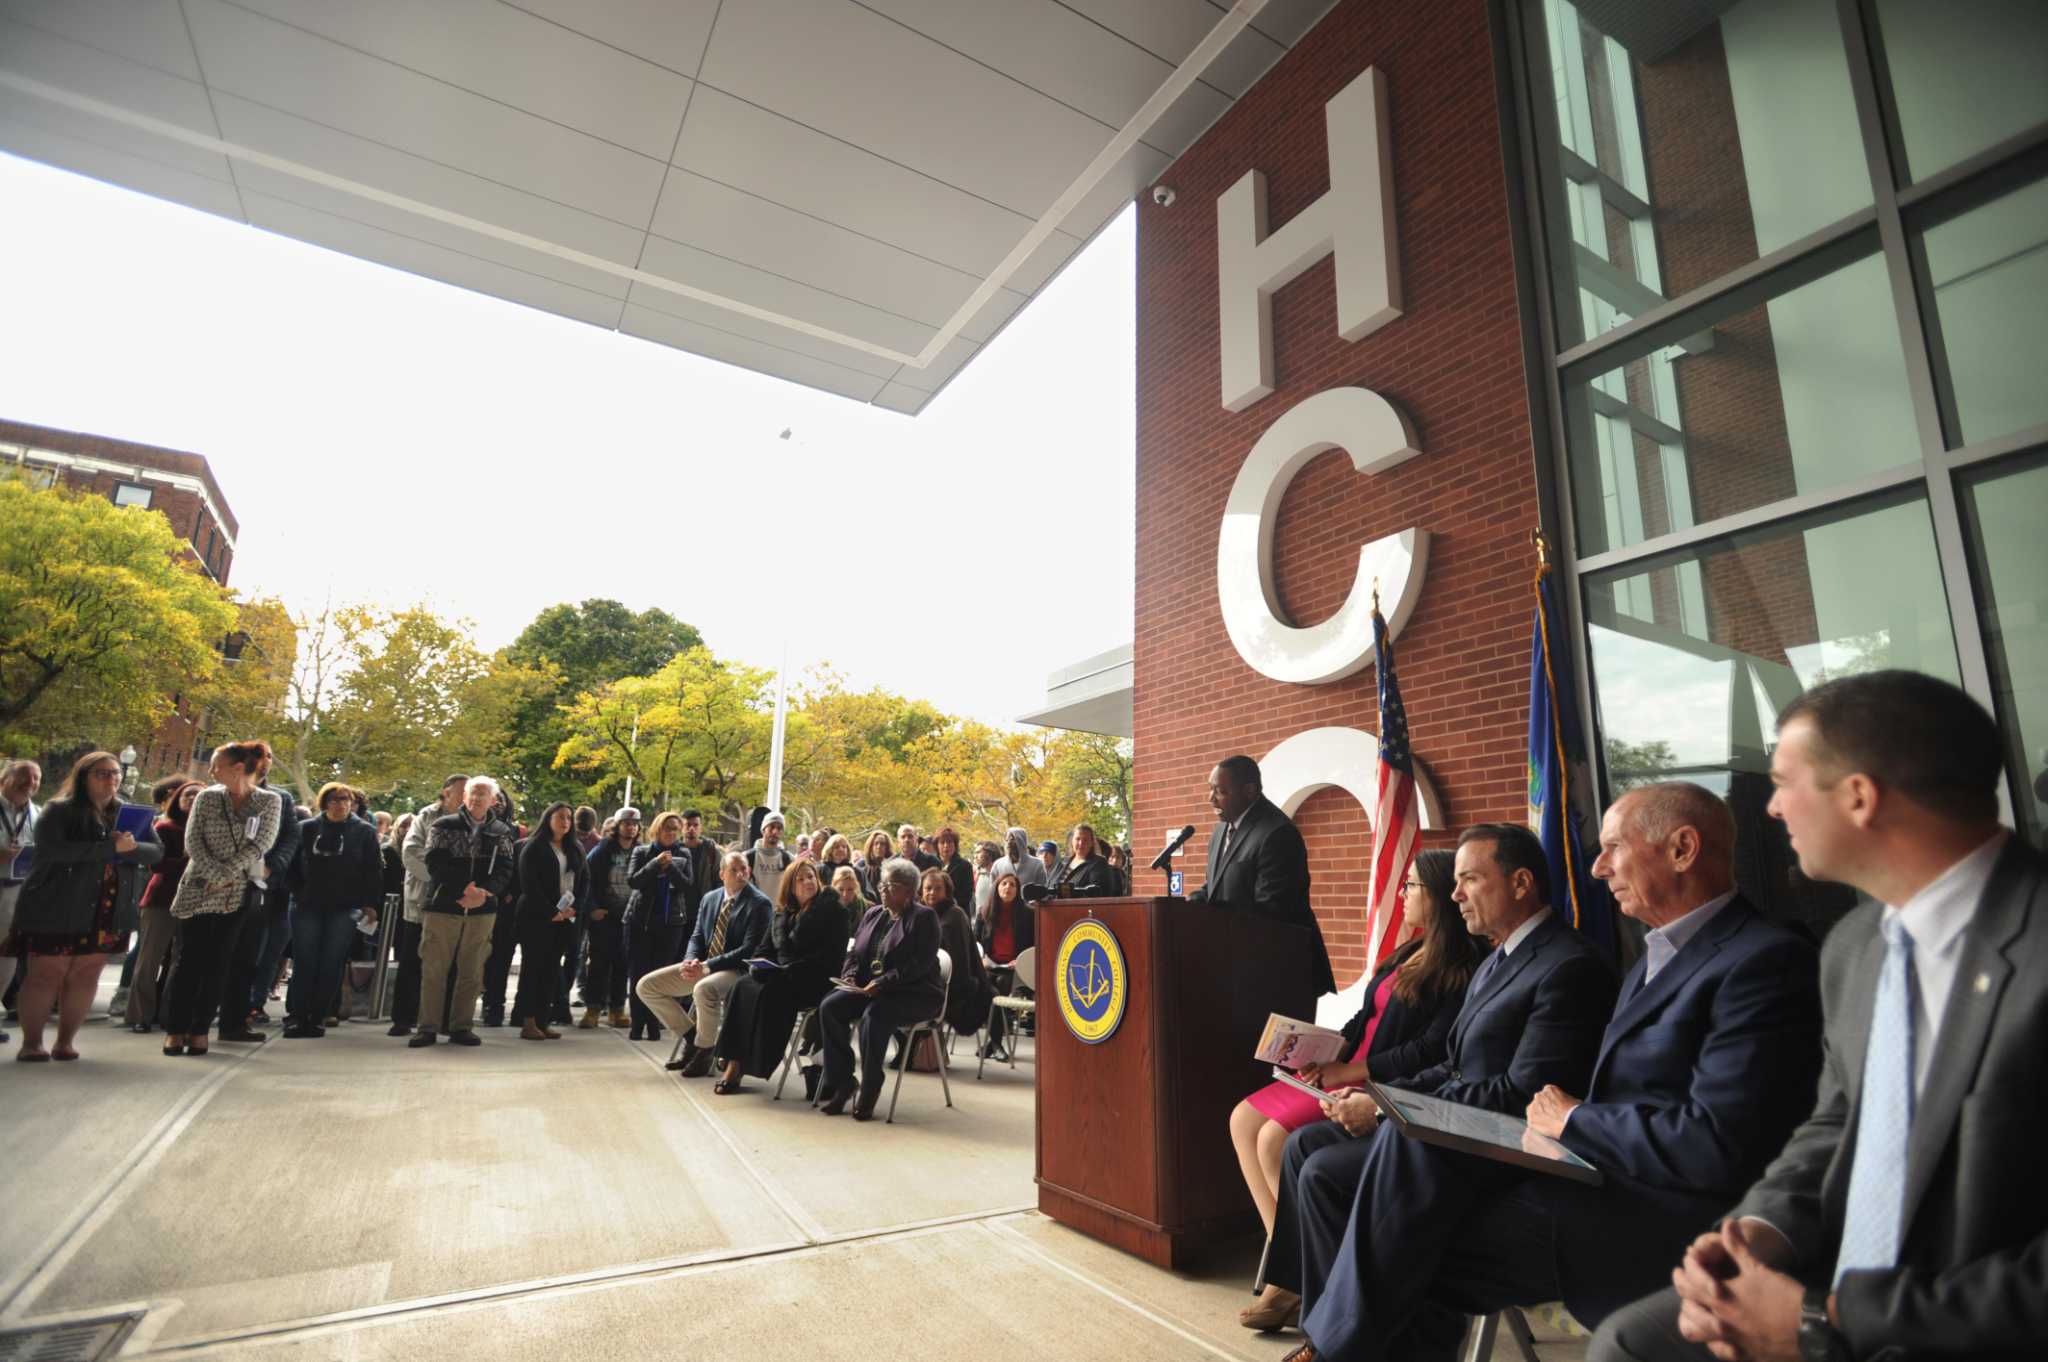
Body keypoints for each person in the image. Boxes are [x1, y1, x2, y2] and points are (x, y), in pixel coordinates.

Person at [1592, 673, 2048, 1362]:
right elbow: (1837, 1123)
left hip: (1958, 1324)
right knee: (1630, 1343)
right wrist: (1753, 1232)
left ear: (1860, 797)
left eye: (1783, 781)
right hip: (1828, 1284)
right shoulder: (1855, 949)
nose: (1771, 809)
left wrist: (1826, 1322)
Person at [1265, 823, 1617, 1354]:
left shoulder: (1568, 965)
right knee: (1304, 1146)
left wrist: (1385, 1114)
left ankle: (1344, 1342)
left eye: (1470, 879)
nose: (1455, 895)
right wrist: (1377, 1098)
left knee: (1325, 1174)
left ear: (1520, 883)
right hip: (1444, 1128)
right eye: (1453, 882)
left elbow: (1518, 1092)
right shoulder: (1497, 959)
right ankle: (1328, 1324)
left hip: (1494, 1147)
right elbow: (1451, 1064)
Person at [1232, 849, 1482, 1329]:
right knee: (1243, 1120)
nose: (1403, 894)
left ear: (1438, 898)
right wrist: (1323, 1049)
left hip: (1376, 1079)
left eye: (1411, 886)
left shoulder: (1462, 967)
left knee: (1273, 1140)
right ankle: (1285, 1254)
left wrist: (1353, 1071)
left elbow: (1429, 1051)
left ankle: (1291, 1281)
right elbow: (1363, 1016)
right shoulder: (1407, 951)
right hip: (1344, 1066)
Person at [5, 751, 162, 1061]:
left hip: (107, 906)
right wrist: (110, 848)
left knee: (86, 975)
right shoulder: (59, 810)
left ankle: (65, 1042)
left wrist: (131, 848)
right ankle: (32, 1044)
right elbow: (52, 852)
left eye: (116, 773)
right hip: (57, 905)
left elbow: (156, 852)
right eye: (102, 773)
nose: (112, 779)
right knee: (46, 975)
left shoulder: (130, 813)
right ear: (83, 777)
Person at [164, 742, 283, 1056]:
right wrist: (214, 875)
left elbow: (261, 843)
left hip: (236, 889)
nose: (212, 771)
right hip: (198, 885)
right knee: (187, 959)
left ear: (238, 768)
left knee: (219, 962)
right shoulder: (207, 797)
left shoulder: (269, 802)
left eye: (217, 765)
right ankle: (176, 1029)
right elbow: (193, 840)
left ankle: (200, 1028)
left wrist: (228, 874)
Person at [1189, 755, 1336, 997]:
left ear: (1249, 790)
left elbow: (1275, 910)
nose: (1210, 799)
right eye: (1210, 789)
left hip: (1277, 972)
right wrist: (1197, 899)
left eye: (1220, 791)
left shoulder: (1277, 833)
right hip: (1234, 968)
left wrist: (1212, 909)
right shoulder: (1220, 831)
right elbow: (1218, 886)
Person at [816, 857, 943, 1121]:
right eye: (882, 884)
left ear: (909, 891)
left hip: (912, 992)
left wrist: (883, 982)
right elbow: (854, 952)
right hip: (868, 988)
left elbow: (919, 964)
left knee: (874, 1017)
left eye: (891, 885)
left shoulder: (924, 918)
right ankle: (843, 1083)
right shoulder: (874, 913)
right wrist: (850, 976)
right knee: (830, 1007)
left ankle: (871, 1087)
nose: (883, 889)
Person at [710, 858, 850, 1092]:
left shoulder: (834, 911)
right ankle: (734, 1060)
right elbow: (763, 949)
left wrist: (786, 970)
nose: (807, 882)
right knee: (742, 985)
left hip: (815, 979)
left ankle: (743, 1064)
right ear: (790, 887)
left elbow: (831, 958)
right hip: (782, 976)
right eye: (800, 878)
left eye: (811, 876)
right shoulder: (783, 913)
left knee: (770, 992)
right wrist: (759, 966)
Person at [639, 850, 772, 1078]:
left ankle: (704, 1051)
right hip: (705, 965)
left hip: (738, 970)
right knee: (646, 986)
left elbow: (749, 950)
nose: (741, 874)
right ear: (722, 874)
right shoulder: (710, 898)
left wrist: (707, 965)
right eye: (734, 870)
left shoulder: (760, 903)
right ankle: (695, 1040)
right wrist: (690, 960)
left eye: (744, 870)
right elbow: (698, 935)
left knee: (704, 988)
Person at [411, 776, 517, 1049]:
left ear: (493, 800)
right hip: (444, 906)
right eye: (472, 793)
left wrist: (483, 893)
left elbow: (505, 868)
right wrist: (463, 889)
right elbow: (434, 862)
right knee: (434, 969)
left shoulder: (502, 830)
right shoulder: (443, 825)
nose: (476, 798)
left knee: (472, 971)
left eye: (482, 794)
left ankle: (461, 1026)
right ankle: (428, 1027)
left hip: (483, 910)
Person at [285, 781, 383, 1038]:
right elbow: (291, 865)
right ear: (324, 803)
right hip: (307, 904)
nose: (340, 804)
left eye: (345, 799)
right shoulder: (306, 828)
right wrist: (297, 891)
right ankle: (296, 1016)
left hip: (344, 906)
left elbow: (373, 871)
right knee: (304, 961)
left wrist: (370, 904)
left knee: (332, 963)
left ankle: (318, 1016)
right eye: (334, 799)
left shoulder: (364, 831)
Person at [223, 766, 300, 1040]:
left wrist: (273, 866)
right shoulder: (218, 796)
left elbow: (290, 836)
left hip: (270, 888)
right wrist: (225, 870)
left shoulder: (281, 798)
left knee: (263, 952)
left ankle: (249, 1008)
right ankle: (211, 1013)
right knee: (227, 953)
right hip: (223, 884)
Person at [392, 775, 465, 1037]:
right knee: (412, 960)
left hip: (455, 904)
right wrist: (444, 874)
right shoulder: (426, 816)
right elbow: (411, 852)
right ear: (446, 793)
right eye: (461, 791)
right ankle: (403, 1018)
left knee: (449, 964)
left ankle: (443, 1019)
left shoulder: (473, 820)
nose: (467, 796)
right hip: (423, 900)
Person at [127, 779, 200, 1033]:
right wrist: (189, 862)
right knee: (149, 960)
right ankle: (140, 1016)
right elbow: (156, 865)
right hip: (161, 900)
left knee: (178, 962)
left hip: (194, 902)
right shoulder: (165, 827)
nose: (192, 799)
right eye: (187, 795)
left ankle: (168, 1014)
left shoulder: (210, 830)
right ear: (177, 799)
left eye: (198, 795)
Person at [622, 811, 698, 1043]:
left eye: (675, 829)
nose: (671, 833)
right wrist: (656, 864)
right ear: (657, 830)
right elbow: (634, 881)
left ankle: (654, 1026)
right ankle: (637, 1025)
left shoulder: (684, 853)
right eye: (667, 829)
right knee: (638, 975)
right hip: (641, 922)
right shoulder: (642, 851)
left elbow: (688, 886)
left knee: (660, 978)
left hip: (670, 924)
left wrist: (671, 867)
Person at [513, 803, 586, 1041]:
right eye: (560, 817)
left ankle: (543, 1021)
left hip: (565, 919)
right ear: (548, 819)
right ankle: (528, 1021)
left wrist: (572, 909)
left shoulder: (575, 848)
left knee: (552, 969)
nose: (565, 821)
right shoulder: (533, 847)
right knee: (533, 968)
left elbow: (584, 882)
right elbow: (529, 884)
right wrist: (550, 912)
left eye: (569, 818)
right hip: (536, 917)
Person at [918, 865, 994, 1042]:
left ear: (947, 891)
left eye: (938, 889)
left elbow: (955, 962)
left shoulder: (954, 915)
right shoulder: (921, 913)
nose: (932, 893)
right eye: (928, 888)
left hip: (955, 985)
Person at [580, 807, 639, 1028]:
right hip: (604, 916)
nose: (631, 827)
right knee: (598, 965)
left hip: (628, 919)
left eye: (634, 824)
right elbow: (586, 878)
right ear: (618, 826)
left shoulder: (641, 851)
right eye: (626, 823)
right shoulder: (603, 849)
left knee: (622, 966)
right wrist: (592, 908)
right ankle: (593, 1009)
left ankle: (617, 1011)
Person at [0, 759, 41, 1045]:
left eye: (36, 779)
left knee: (7, 957)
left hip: (17, 892)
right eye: (24, 778)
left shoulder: (38, 815)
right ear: (4, 779)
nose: (30, 784)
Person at [1054, 824, 1121, 899]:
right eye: (1077, 839)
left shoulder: (1098, 863)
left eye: (1085, 840)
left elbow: (1099, 894)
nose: (1081, 843)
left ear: (1092, 843)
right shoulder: (1064, 862)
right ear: (1072, 841)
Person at [992, 827, 1048, 903]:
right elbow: (992, 890)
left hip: (1029, 910)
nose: (1009, 843)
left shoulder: (1037, 864)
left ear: (1021, 841)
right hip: (1005, 909)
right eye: (1007, 840)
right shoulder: (998, 864)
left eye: (1012, 839)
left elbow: (1043, 890)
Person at [748, 811, 792, 903]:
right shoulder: (747, 857)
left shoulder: (789, 859)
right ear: (763, 829)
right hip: (754, 914)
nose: (775, 831)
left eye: (779, 828)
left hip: (779, 914)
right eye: (771, 827)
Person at [933, 827, 974, 911]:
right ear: (936, 845)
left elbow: (967, 895)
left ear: (955, 845)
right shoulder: (931, 863)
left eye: (949, 842)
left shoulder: (965, 866)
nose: (946, 845)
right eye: (942, 842)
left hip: (957, 912)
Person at [858, 830, 895, 901]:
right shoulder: (861, 866)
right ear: (871, 846)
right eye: (876, 843)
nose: (879, 846)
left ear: (887, 847)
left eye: (882, 844)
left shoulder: (893, 867)